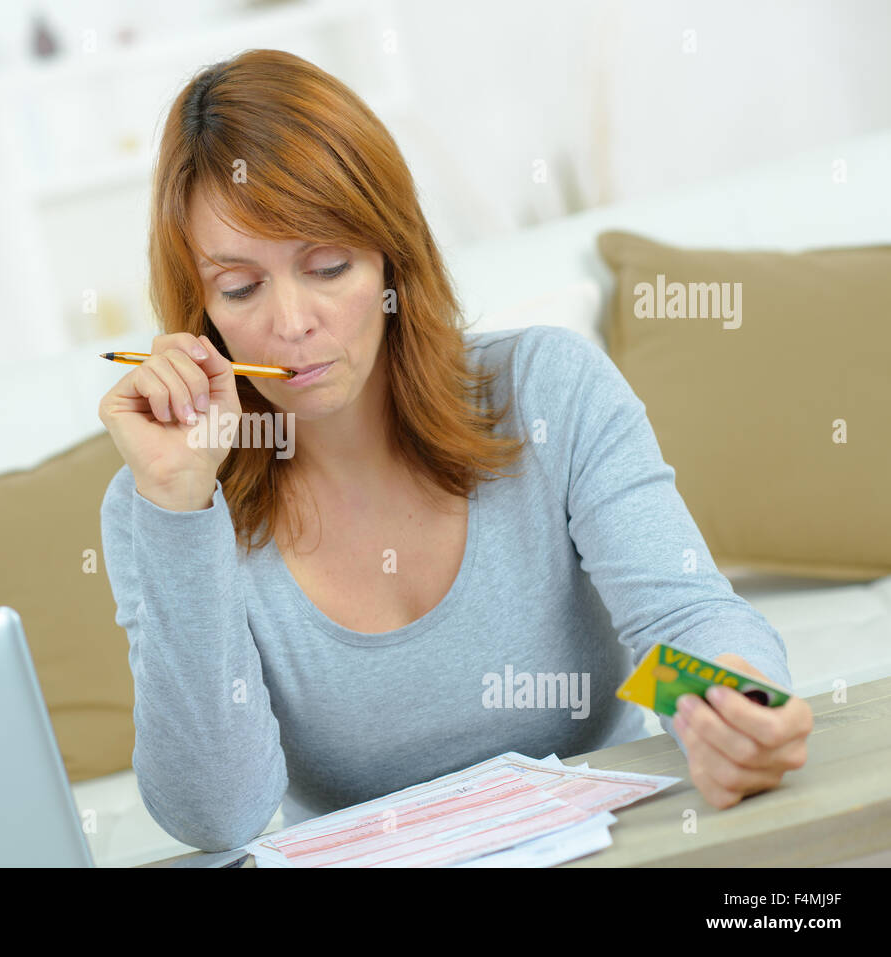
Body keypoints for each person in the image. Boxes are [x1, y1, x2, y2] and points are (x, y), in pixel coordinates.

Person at [97, 49, 813, 853]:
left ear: (390, 258)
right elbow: (217, 819)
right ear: (202, 310)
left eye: (327, 265)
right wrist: (180, 507)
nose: (292, 321)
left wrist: (731, 709)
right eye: (241, 287)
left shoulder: (548, 388)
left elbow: (678, 620)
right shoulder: (161, 505)